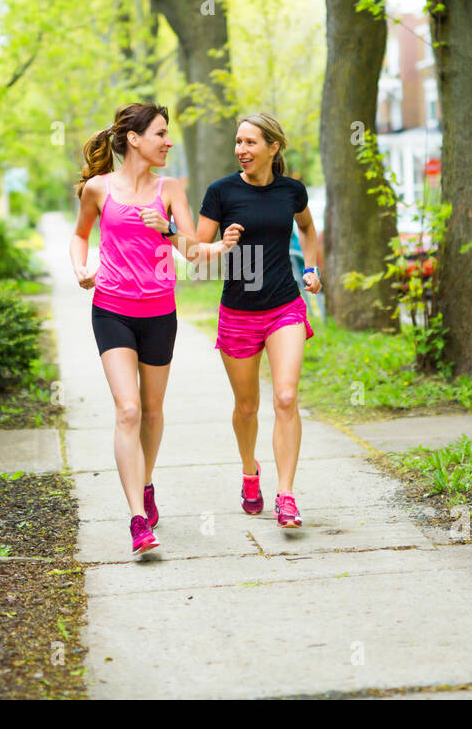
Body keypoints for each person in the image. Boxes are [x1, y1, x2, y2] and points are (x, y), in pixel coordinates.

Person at [69, 102, 241, 555]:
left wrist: (177, 233)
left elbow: (195, 253)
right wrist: (80, 268)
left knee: (151, 411)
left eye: (168, 134)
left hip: (159, 314)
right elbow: (80, 234)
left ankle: (145, 481)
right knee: (127, 409)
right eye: (161, 134)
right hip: (111, 310)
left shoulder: (170, 189)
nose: (168, 142)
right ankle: (137, 520)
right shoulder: (98, 189)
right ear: (134, 139)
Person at [194, 112, 321, 528]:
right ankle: (250, 470)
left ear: (273, 147)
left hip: (285, 305)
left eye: (250, 142)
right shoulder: (221, 192)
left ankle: (286, 494)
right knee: (247, 406)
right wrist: (221, 243)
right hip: (238, 311)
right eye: (238, 142)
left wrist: (311, 269)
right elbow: (195, 252)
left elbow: (306, 228)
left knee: (286, 397)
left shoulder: (292, 191)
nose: (241, 150)